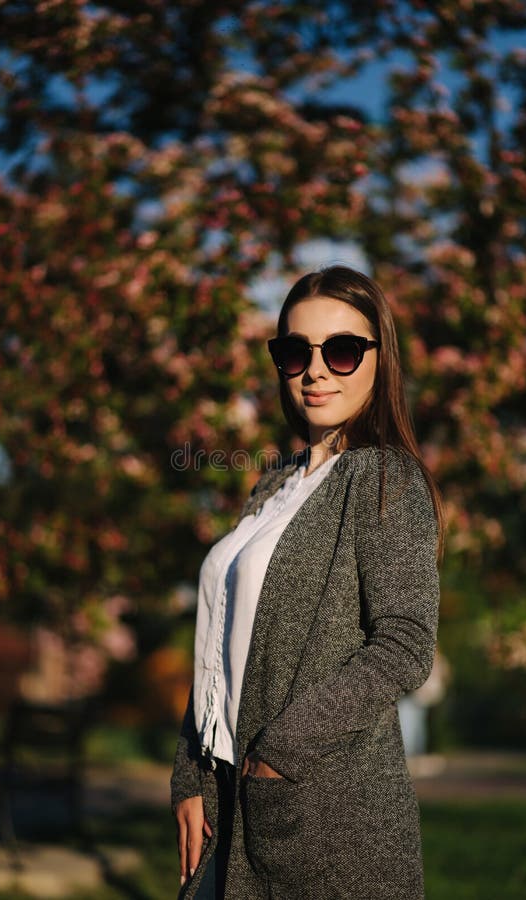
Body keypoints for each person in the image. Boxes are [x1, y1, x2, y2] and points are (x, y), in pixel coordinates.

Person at [171, 265, 444, 900]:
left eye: (343, 351)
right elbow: (219, 638)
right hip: (226, 807)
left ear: (380, 360)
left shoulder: (385, 480)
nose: (316, 370)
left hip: (327, 817)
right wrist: (189, 773)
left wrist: (279, 753)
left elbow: (404, 645)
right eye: (296, 352)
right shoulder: (273, 484)